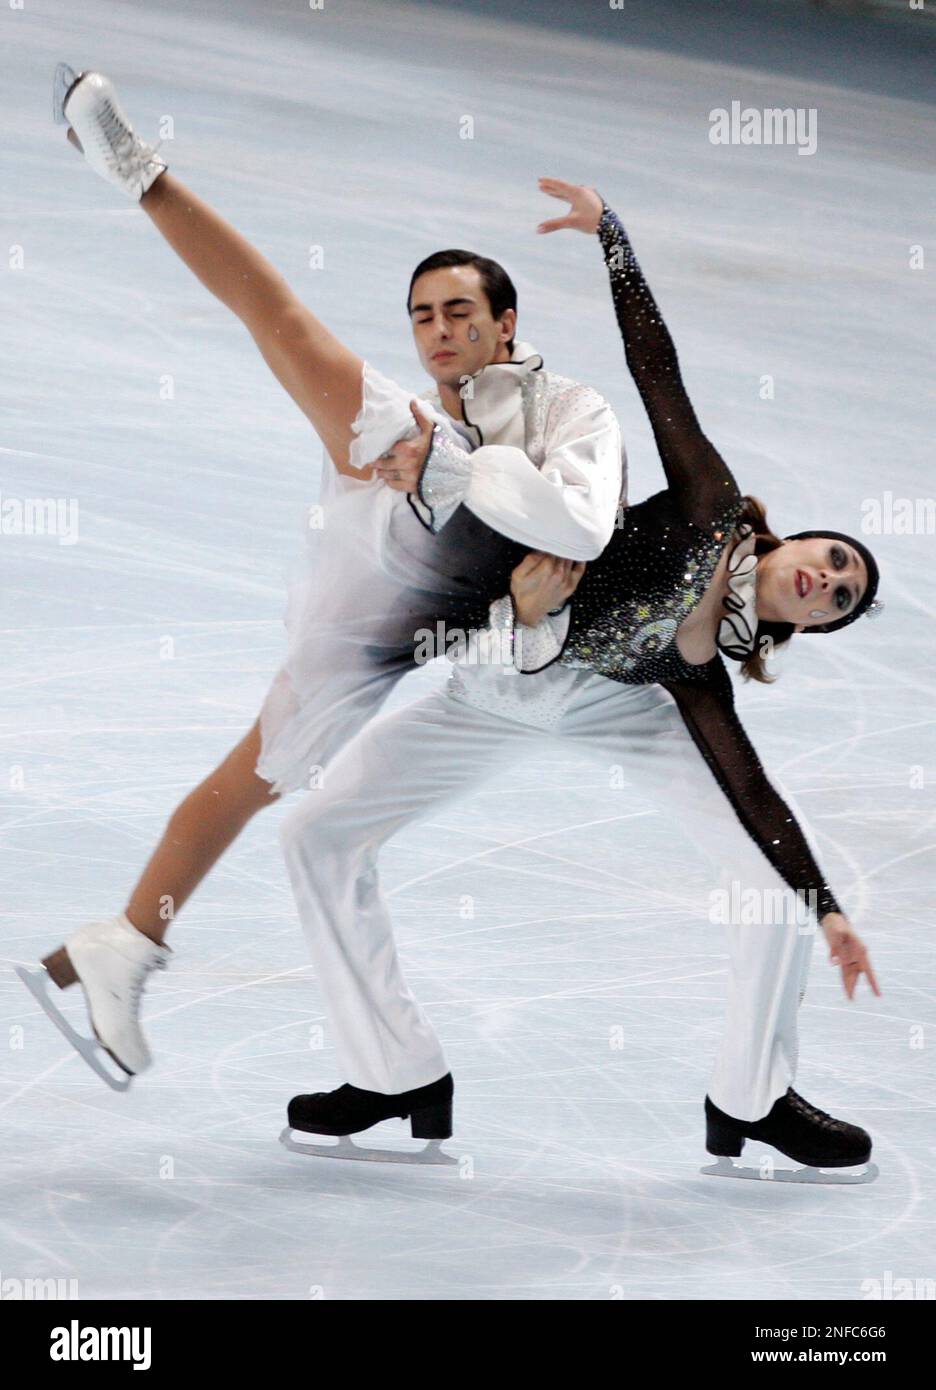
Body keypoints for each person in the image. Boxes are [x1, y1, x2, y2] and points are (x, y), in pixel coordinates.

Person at [17, 70, 624, 1089]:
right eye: (422, 315)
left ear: (506, 324)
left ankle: (114, 947)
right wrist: (433, 462)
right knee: (286, 325)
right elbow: (284, 317)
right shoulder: (406, 421)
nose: (437, 330)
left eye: (460, 312)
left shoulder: (578, 417)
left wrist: (460, 476)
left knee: (255, 775)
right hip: (384, 532)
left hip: (391, 630)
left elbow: (578, 520)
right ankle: (136, 166)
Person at [277, 180, 883, 1178]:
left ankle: (751, 1098)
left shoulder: (700, 681)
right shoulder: (709, 500)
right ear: (800, 537)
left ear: (811, 620)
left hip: (619, 705)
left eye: (840, 595)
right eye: (836, 556)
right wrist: (614, 238)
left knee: (768, 894)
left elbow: (754, 791)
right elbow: (658, 369)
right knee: (316, 833)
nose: (830, 575)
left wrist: (825, 905)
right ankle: (395, 1073)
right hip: (501, 679)